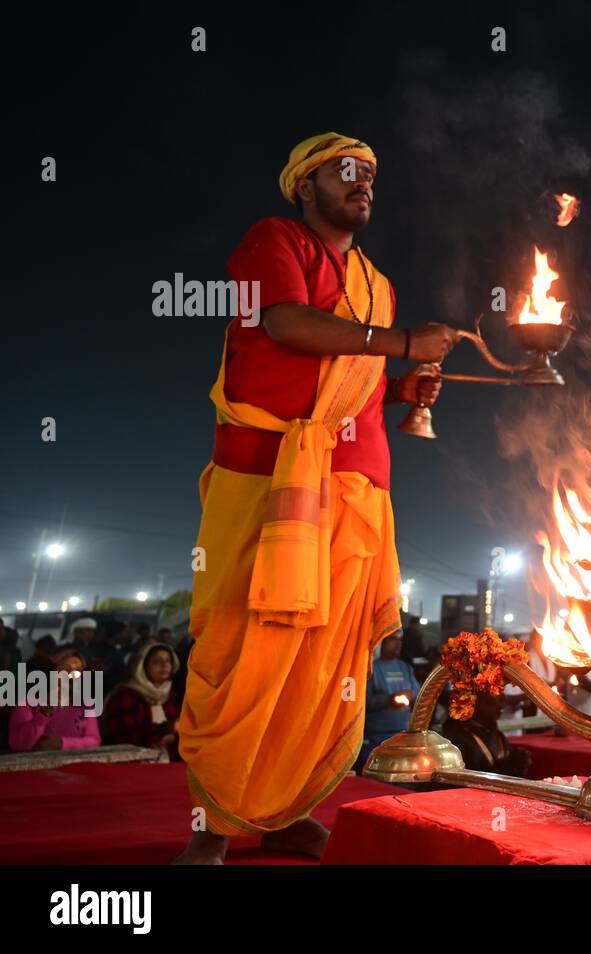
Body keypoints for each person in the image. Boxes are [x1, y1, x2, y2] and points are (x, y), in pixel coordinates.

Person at [174, 132, 461, 864]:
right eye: (346, 172)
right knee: (243, 651)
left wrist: (405, 386)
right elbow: (287, 325)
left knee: (324, 669)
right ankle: (217, 822)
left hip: (358, 486)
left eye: (370, 174)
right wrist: (400, 344)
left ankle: (284, 809)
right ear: (306, 186)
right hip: (265, 476)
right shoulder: (274, 240)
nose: (363, 182)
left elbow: (353, 374)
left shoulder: (377, 283)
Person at [8, 650, 101, 753]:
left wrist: (61, 743)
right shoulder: (26, 704)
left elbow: (94, 741)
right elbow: (18, 744)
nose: (72, 676)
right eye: (67, 669)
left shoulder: (86, 705)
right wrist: (44, 713)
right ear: (50, 672)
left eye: (78, 671)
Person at [102, 642, 182, 759]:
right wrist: (160, 735)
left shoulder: (173, 697)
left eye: (168, 661)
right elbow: (123, 737)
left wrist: (175, 739)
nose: (164, 665)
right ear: (143, 666)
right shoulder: (126, 696)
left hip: (170, 764)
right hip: (131, 764)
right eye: (156, 662)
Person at [359, 633, 422, 768]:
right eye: (393, 639)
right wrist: (389, 700)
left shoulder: (406, 668)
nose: (398, 643)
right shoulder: (372, 669)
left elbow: (419, 693)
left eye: (400, 640)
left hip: (403, 736)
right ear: (382, 643)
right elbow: (364, 702)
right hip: (377, 737)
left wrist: (410, 695)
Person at [439, 692, 532, 776]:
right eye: (490, 701)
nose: (500, 705)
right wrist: (505, 768)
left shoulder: (493, 731)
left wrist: (517, 762)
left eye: (501, 699)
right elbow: (466, 780)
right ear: (474, 703)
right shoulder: (457, 738)